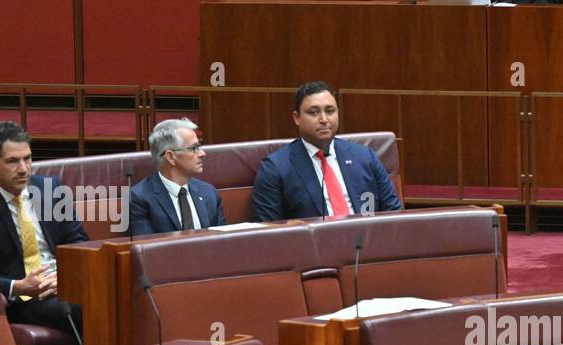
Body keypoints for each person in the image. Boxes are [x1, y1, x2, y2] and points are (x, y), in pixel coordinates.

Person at [0, 121, 86, 338]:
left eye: (27, 158)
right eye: (13, 161)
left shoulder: (51, 189)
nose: (23, 169)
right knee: (86, 307)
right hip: (24, 300)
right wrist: (17, 286)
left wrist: (65, 276)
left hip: (63, 282)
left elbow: (79, 240)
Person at [251, 82, 402, 222]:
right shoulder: (275, 169)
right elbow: (268, 230)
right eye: (313, 112)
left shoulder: (364, 157)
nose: (324, 119)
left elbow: (394, 214)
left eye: (330, 111)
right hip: (313, 241)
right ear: (297, 118)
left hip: (367, 239)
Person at [127, 119, 225, 235]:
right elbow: (145, 245)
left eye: (199, 147)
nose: (202, 153)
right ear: (170, 156)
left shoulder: (209, 193)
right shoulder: (138, 199)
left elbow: (223, 240)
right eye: (194, 148)